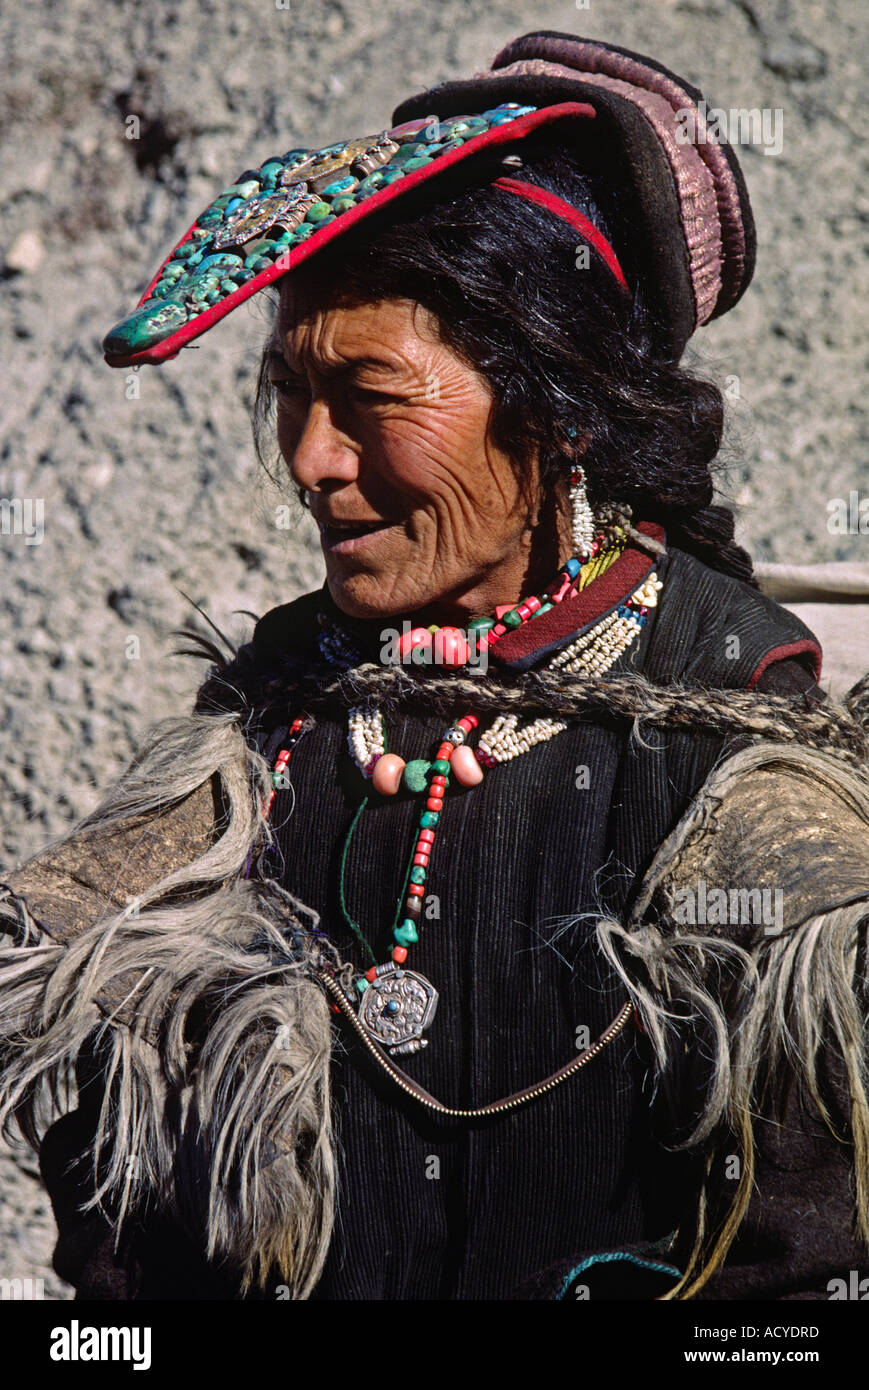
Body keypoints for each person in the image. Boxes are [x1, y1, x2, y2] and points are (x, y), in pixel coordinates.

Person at [1, 31, 868, 1302]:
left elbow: (805, 1250)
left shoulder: (728, 717)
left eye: (369, 395)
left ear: (558, 402)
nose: (310, 459)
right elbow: (107, 1136)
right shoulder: (278, 704)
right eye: (292, 393)